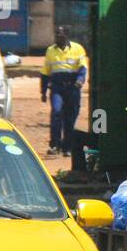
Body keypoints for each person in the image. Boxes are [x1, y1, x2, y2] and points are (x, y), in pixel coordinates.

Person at [40, 27, 88, 156]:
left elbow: (83, 68)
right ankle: (55, 145)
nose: (57, 36)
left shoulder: (78, 49)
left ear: (66, 35)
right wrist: (43, 91)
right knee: (56, 112)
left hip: (73, 88)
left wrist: (79, 81)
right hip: (57, 87)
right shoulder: (50, 50)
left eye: (60, 34)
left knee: (70, 117)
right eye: (56, 33)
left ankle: (67, 147)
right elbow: (45, 72)